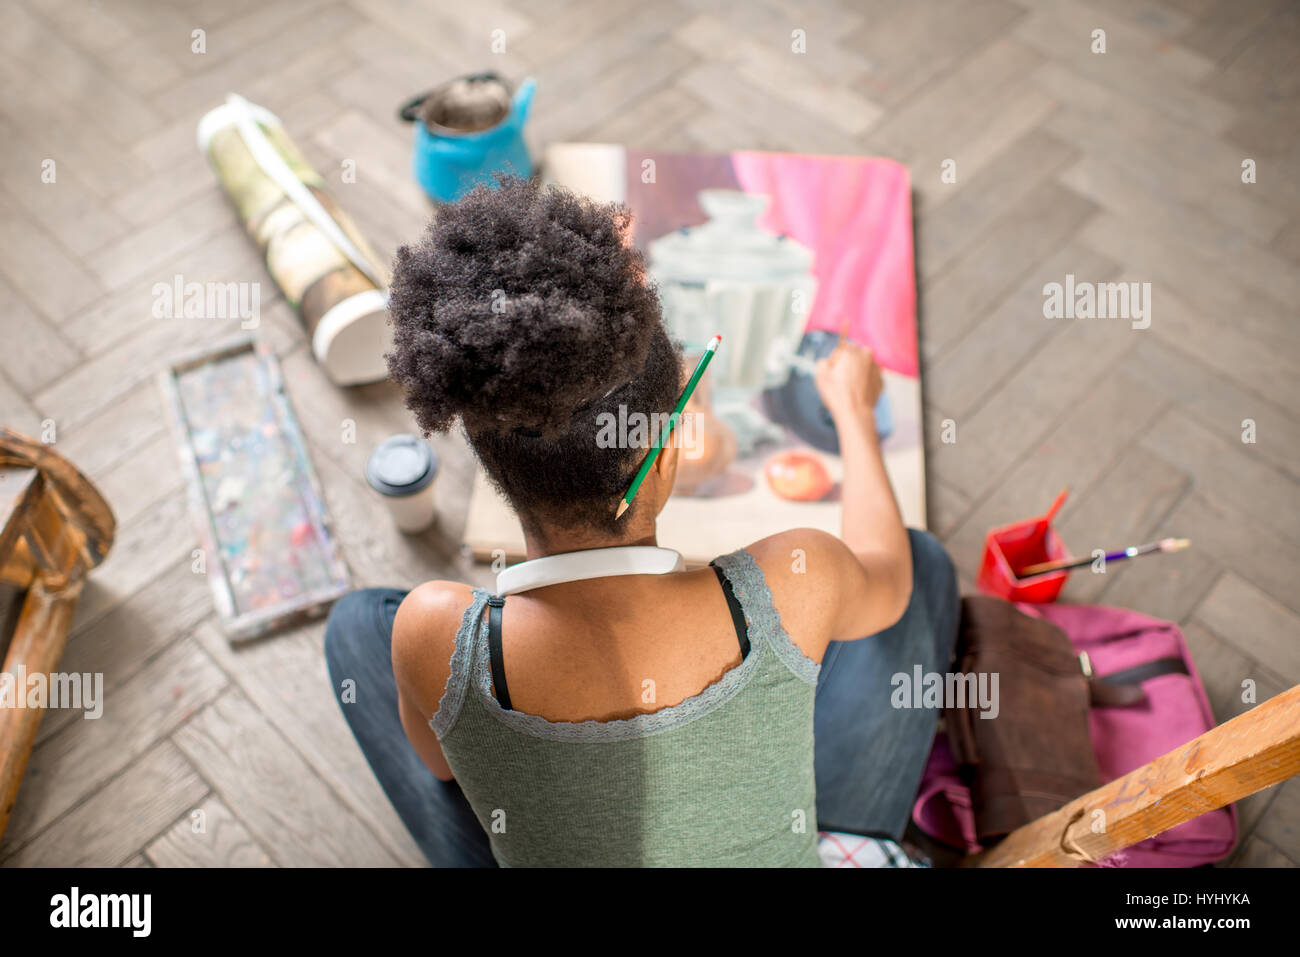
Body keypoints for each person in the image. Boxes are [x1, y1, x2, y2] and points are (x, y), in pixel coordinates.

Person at [325, 178, 959, 867]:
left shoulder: (433, 631)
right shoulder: (792, 579)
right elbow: (890, 580)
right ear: (657, 464)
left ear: (493, 463)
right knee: (920, 561)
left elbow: (444, 769)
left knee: (359, 624)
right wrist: (855, 417)